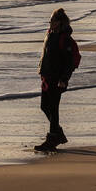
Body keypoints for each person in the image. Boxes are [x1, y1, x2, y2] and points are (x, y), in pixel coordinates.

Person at [35, 8, 80, 152]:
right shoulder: (50, 34)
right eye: (50, 20)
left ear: (59, 22)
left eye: (52, 20)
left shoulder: (64, 39)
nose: (50, 23)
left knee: (53, 109)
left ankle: (52, 139)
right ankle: (58, 134)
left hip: (57, 79)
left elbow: (69, 63)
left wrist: (64, 79)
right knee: (45, 106)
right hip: (47, 77)